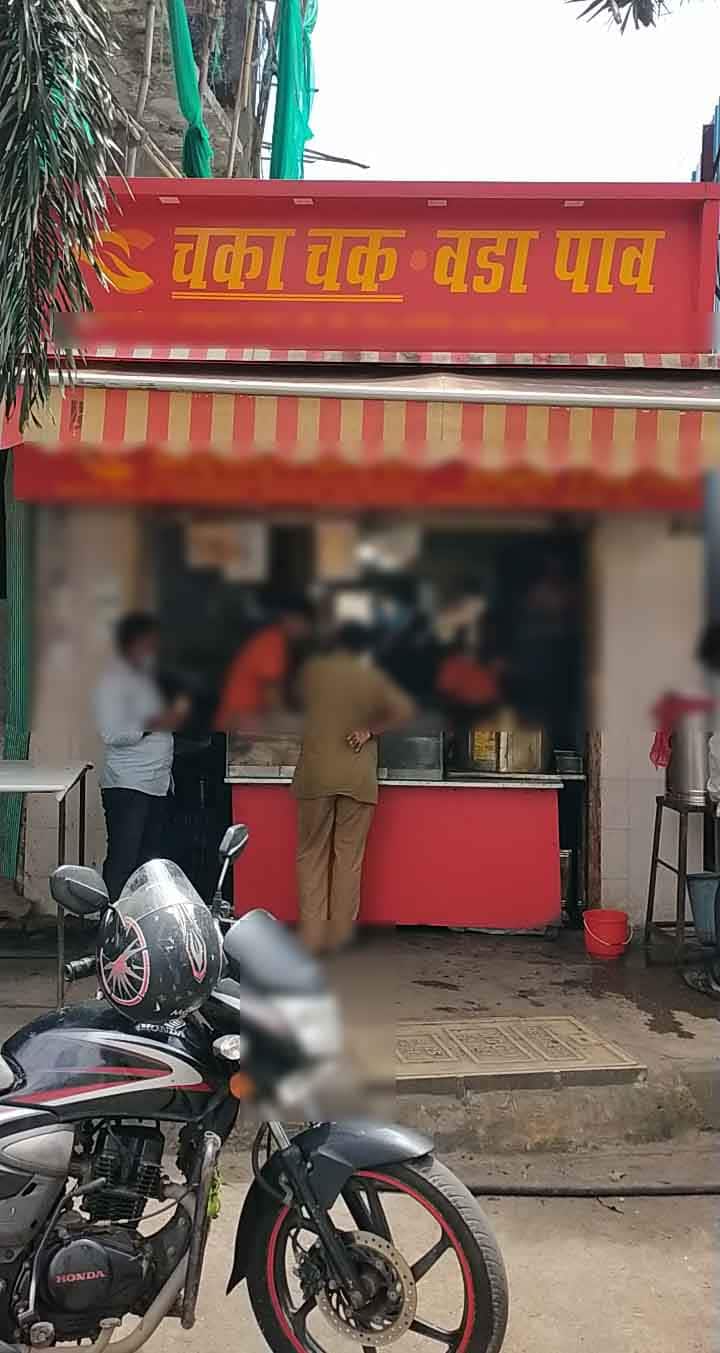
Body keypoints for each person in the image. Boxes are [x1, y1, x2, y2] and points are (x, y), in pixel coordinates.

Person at [292, 624, 415, 954]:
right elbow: (404, 711)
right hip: (358, 775)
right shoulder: (372, 677)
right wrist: (369, 730)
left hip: (317, 773)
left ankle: (312, 936)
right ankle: (341, 935)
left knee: (312, 854)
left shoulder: (311, 672)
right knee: (348, 857)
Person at [94, 613, 189, 902]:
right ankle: (111, 922)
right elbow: (111, 733)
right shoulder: (114, 682)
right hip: (128, 784)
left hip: (158, 783)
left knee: (149, 864)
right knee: (124, 858)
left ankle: (141, 922)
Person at [214, 596, 313, 729]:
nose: (308, 631)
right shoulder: (272, 641)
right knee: (305, 727)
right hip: (236, 720)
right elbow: (272, 694)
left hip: (250, 717)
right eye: (306, 625)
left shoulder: (280, 642)